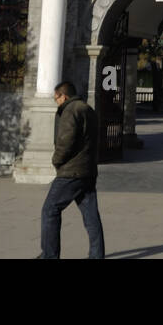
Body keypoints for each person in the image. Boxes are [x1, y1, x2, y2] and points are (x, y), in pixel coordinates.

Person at [39, 80, 105, 259]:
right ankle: (97, 255)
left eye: (56, 98)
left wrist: (56, 160)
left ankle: (50, 255)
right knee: (91, 216)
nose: (56, 102)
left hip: (71, 172)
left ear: (63, 96)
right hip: (88, 170)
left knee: (50, 210)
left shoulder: (70, 111)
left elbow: (66, 141)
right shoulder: (87, 109)